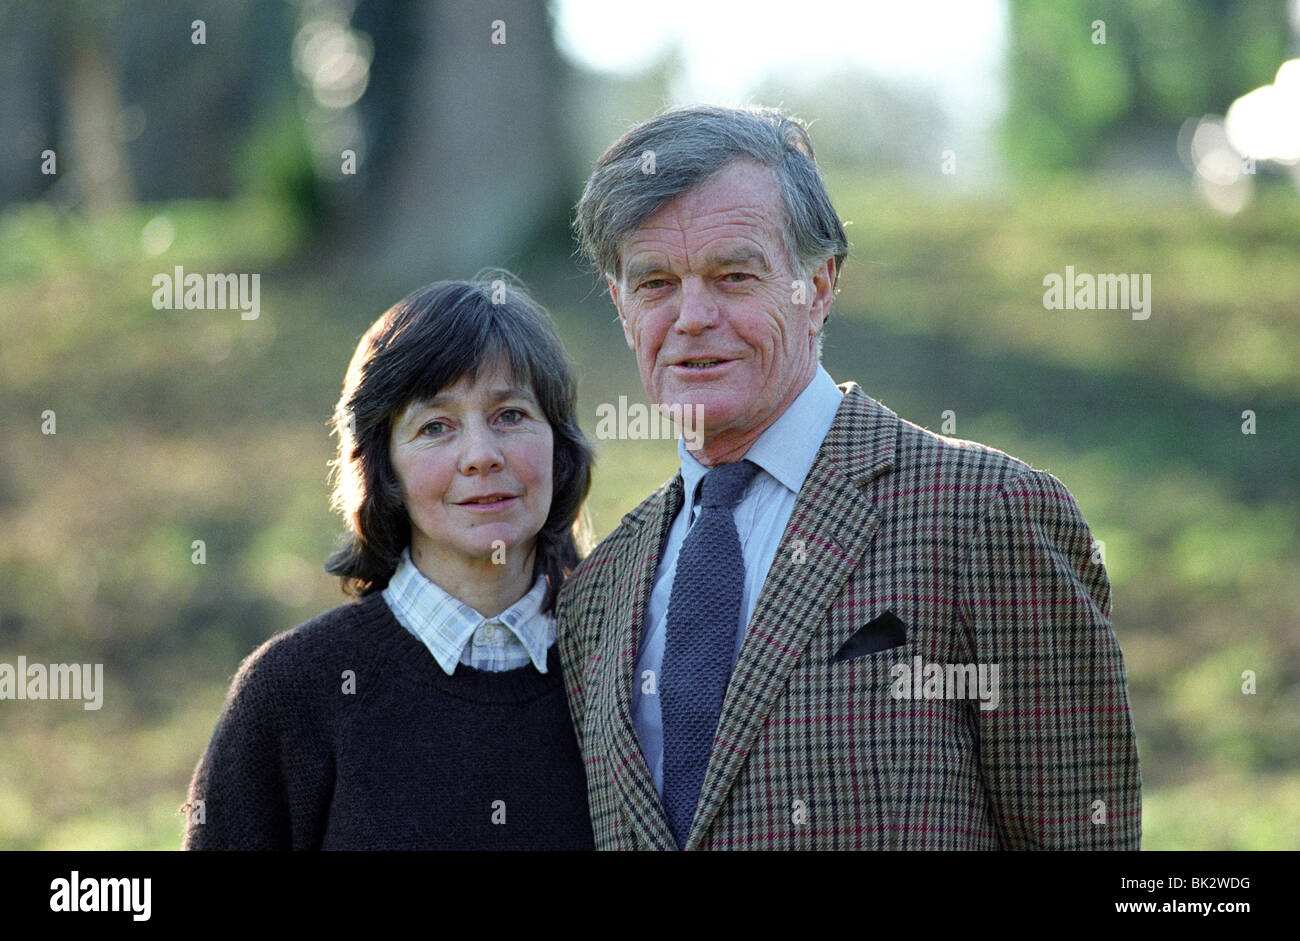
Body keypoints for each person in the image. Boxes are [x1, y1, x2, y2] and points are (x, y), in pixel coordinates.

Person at [560, 105, 1142, 850]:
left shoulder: (986, 514)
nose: (692, 315)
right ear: (620, 303)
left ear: (819, 286)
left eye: (734, 275)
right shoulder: (599, 592)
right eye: (655, 283)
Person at [183, 278, 595, 850]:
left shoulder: (620, 672)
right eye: (435, 427)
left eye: (510, 415)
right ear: (384, 469)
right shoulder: (292, 692)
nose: (481, 455)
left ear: (558, 443)